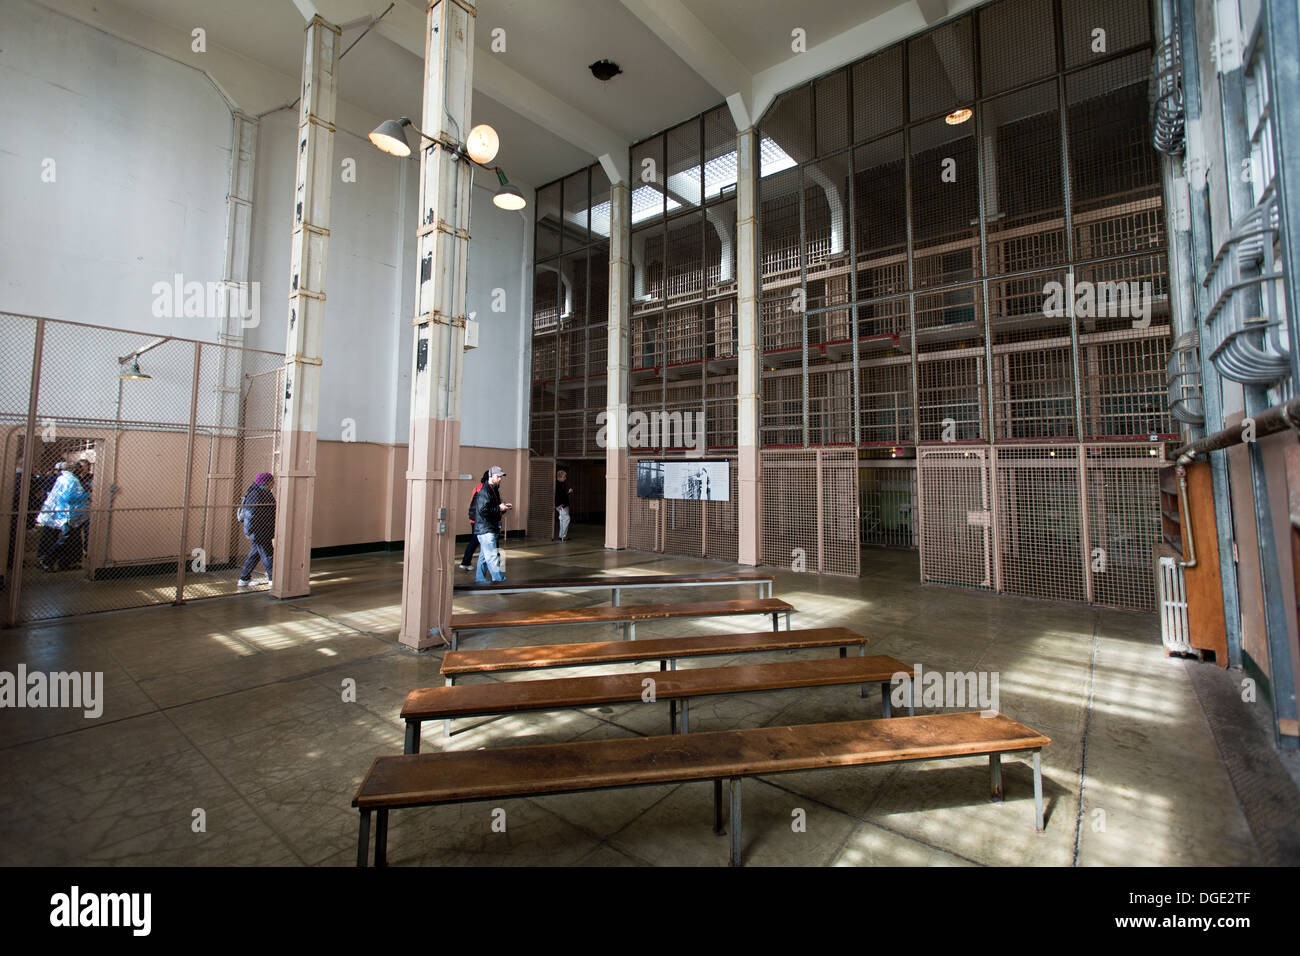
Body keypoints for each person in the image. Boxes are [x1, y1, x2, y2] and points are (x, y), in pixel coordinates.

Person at [35, 460, 90, 572]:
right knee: (66, 538)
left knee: (70, 539)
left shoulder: (62, 478)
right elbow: (69, 498)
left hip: (63, 512)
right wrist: (87, 495)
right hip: (68, 514)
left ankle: (64, 562)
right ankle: (48, 560)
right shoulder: (72, 481)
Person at [469, 465, 512, 583]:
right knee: (492, 556)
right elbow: (483, 510)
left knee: (484, 557)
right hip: (486, 528)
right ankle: (499, 580)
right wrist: (499, 508)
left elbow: (490, 507)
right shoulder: (485, 491)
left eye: (501, 476)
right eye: (498, 476)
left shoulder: (493, 490)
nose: (500, 478)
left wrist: (502, 507)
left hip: (488, 528)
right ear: (491, 476)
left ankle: (480, 578)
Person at [237, 472, 276, 586]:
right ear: (267, 482)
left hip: (262, 529)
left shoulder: (263, 492)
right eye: (272, 481)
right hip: (259, 531)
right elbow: (250, 514)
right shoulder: (256, 494)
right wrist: (251, 530)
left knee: (255, 554)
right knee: (268, 554)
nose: (273, 483)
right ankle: (273, 579)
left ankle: (244, 578)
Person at [458, 470, 489, 571]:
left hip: (474, 519)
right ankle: (465, 562)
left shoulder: (477, 487)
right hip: (480, 520)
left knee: (476, 540)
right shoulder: (485, 489)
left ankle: (467, 562)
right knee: (476, 541)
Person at [555, 468, 573, 541]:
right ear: (559, 477)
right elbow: (556, 495)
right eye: (564, 477)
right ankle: (562, 536)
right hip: (561, 505)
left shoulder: (562, 484)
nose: (565, 478)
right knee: (566, 519)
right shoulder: (557, 485)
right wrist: (557, 504)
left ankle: (562, 535)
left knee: (563, 520)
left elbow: (562, 495)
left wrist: (568, 493)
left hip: (563, 505)